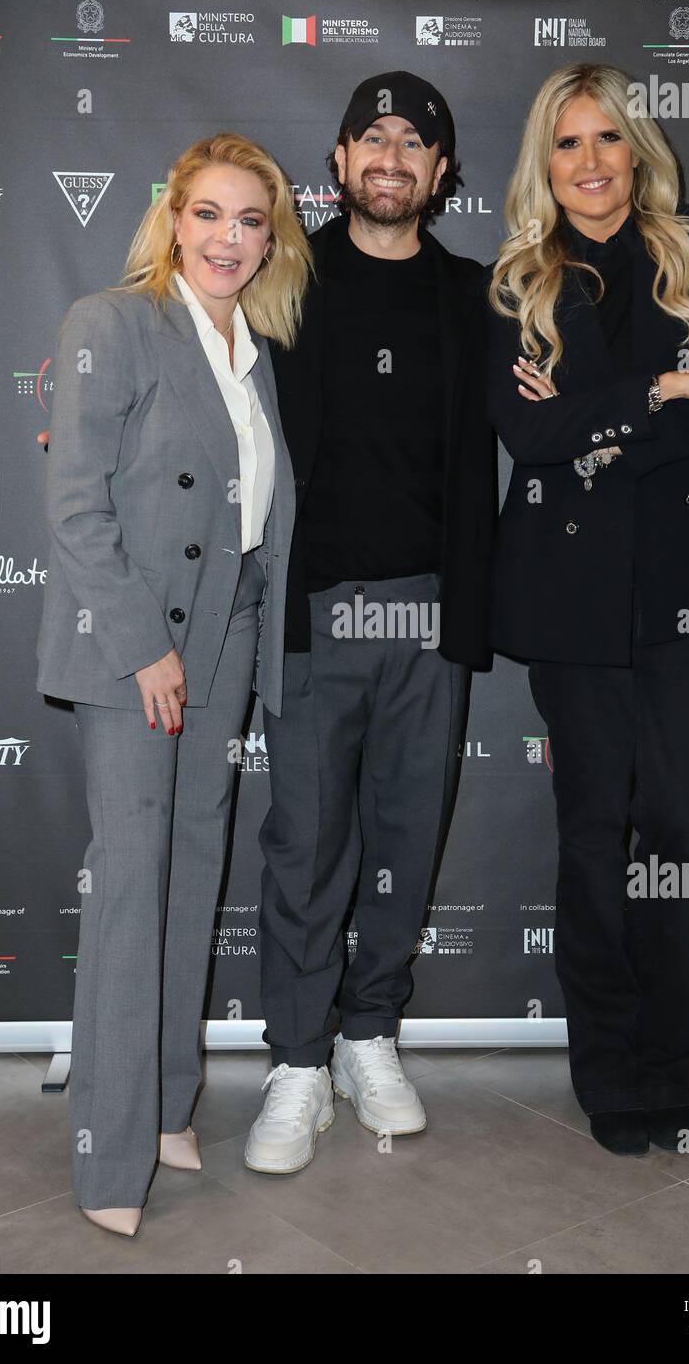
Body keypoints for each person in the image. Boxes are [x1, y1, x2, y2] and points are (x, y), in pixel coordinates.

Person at [486, 63, 689, 1156]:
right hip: (571, 600)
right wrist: (668, 391)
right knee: (592, 834)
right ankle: (611, 1070)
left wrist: (601, 423)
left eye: (609, 138)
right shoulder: (517, 278)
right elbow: (531, 441)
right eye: (568, 143)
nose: (592, 163)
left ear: (639, 146)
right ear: (543, 161)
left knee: (675, 829)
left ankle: (671, 1064)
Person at [36, 133, 310, 1232]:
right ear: (172, 219)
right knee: (134, 883)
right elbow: (77, 509)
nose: (228, 238)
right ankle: (108, 1159)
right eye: (208, 213)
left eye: (250, 220)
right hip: (135, 645)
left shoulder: (255, 345)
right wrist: (144, 644)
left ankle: (162, 1107)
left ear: (271, 237)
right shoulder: (112, 323)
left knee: (194, 871)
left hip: (229, 634)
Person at [244, 71, 497, 1173]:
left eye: (415, 143)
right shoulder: (279, 276)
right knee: (306, 845)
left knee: (402, 844)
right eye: (373, 138)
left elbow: (572, 390)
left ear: (441, 175)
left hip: (430, 617)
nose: (392, 156)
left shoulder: (476, 296)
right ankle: (296, 1059)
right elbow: (184, 339)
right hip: (311, 618)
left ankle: (367, 1035)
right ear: (340, 162)